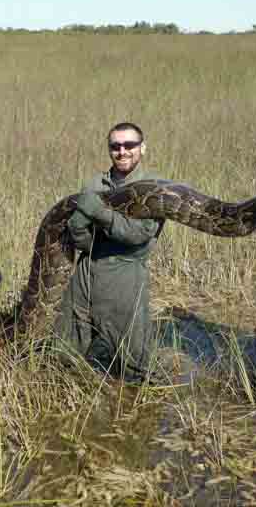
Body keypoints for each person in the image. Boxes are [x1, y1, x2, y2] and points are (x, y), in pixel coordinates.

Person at [54, 122, 163, 382]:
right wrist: (77, 229)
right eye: (116, 146)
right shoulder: (94, 183)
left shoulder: (153, 189)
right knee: (69, 339)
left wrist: (101, 213)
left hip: (125, 271)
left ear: (142, 148)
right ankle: (75, 393)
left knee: (131, 356)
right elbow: (84, 242)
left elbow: (138, 235)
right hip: (87, 267)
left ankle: (132, 410)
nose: (122, 151)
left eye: (129, 145)